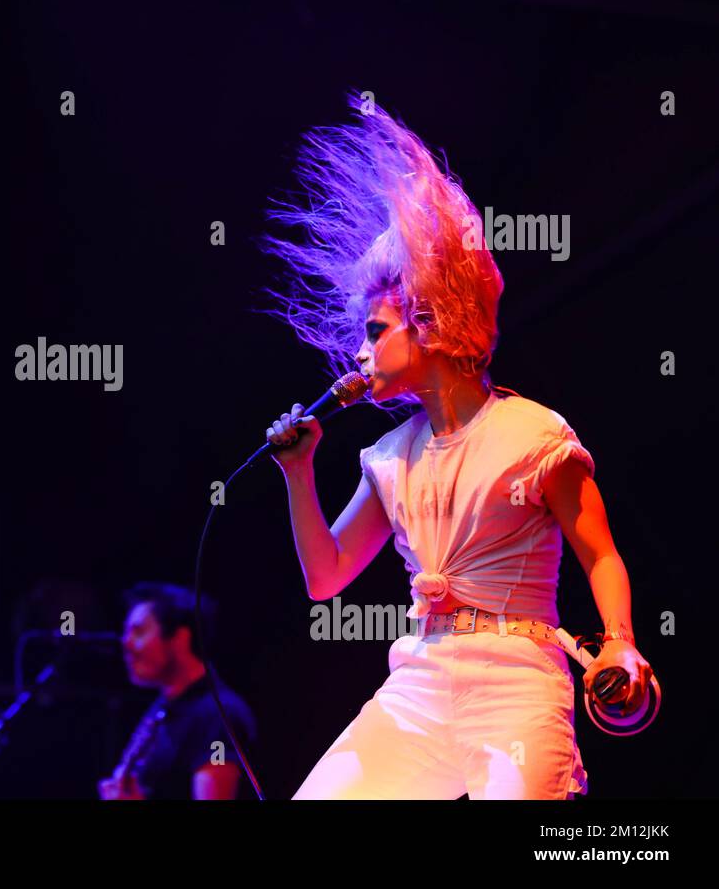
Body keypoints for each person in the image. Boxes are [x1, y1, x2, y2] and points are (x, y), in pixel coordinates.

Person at [259, 92, 654, 799]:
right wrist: (298, 473)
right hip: (417, 686)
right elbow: (327, 578)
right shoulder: (387, 458)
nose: (360, 349)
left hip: (517, 685)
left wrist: (620, 640)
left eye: (376, 331)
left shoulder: (534, 435)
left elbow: (600, 551)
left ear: (429, 319)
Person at [98, 583, 257, 800]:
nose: (125, 643)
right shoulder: (167, 705)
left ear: (180, 638)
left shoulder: (219, 715)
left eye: (139, 632)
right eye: (126, 633)